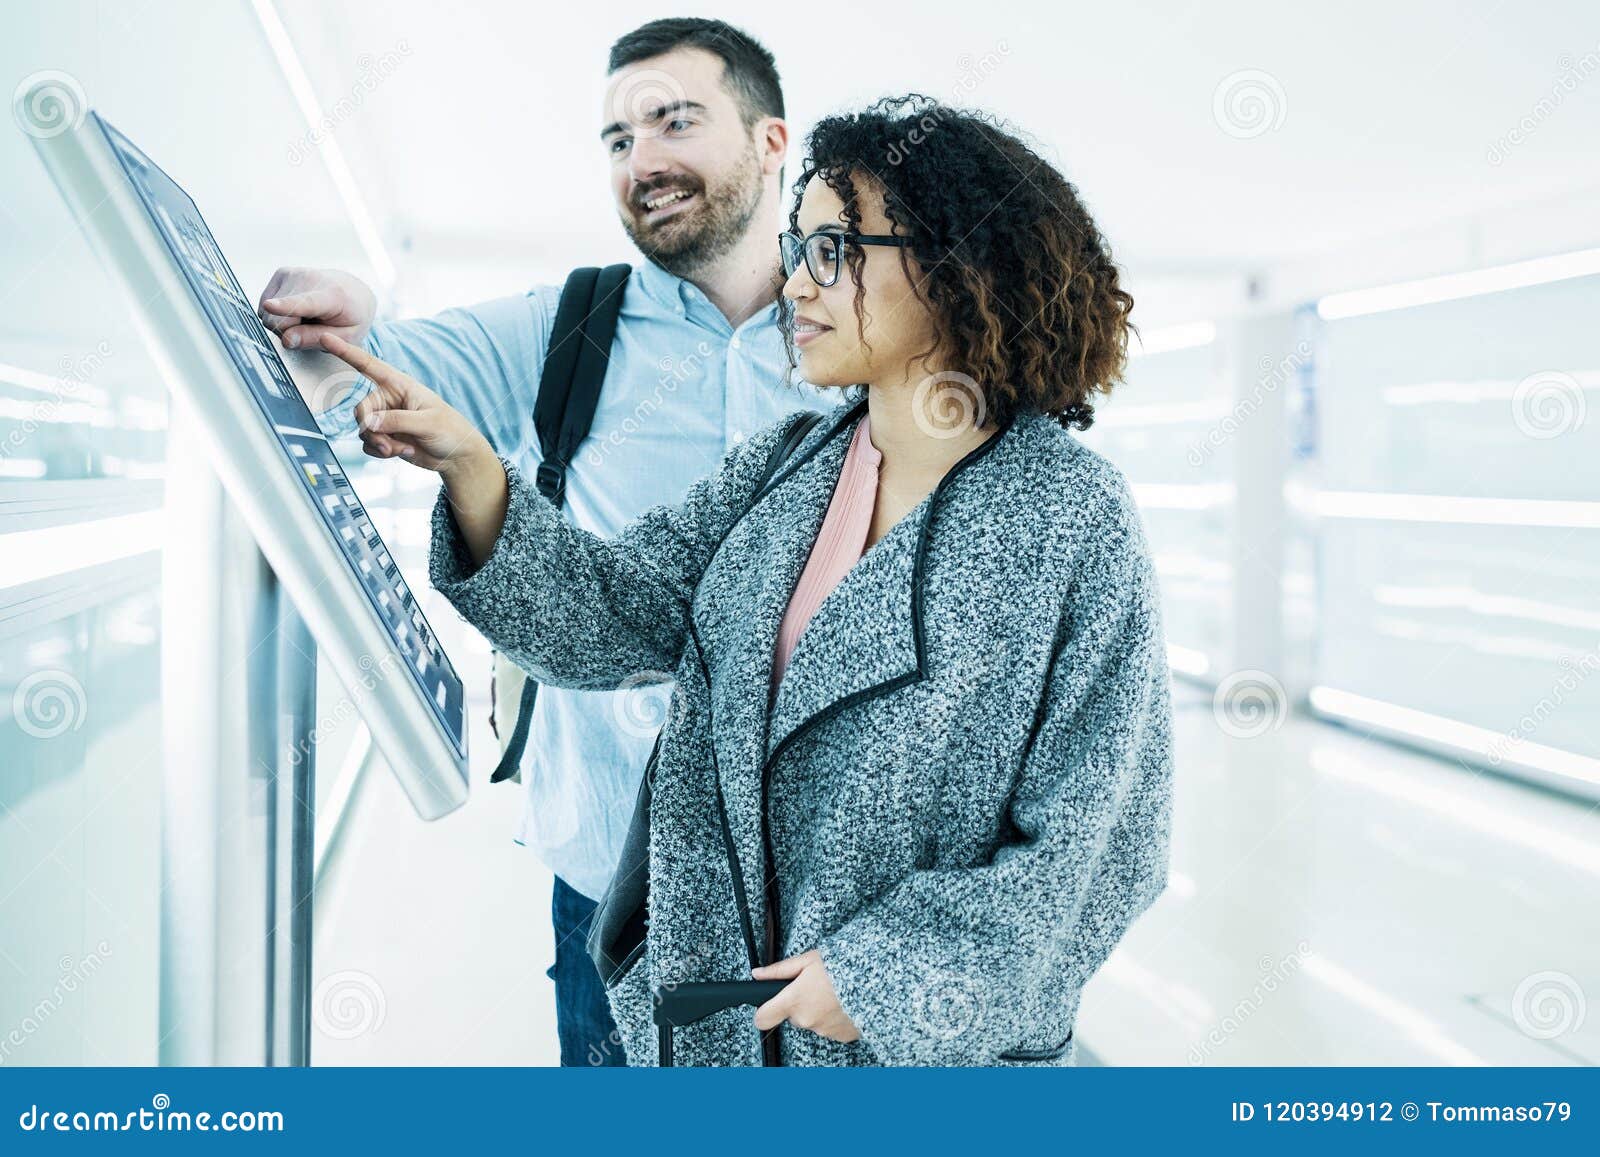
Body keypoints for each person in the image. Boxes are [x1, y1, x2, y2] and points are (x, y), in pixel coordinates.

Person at [318, 95, 1175, 1066]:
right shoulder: (786, 466)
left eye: (830, 252)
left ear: (952, 262)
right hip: (720, 1024)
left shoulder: (1067, 511)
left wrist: (882, 979)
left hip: (905, 1048)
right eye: (794, 249)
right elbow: (616, 613)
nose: (794, 284)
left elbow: (1104, 837)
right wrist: (473, 468)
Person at [256, 19, 833, 1066]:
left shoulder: (862, 317)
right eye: (615, 139)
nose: (641, 160)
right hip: (611, 875)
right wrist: (344, 329)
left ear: (769, 140)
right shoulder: (568, 328)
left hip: (830, 875)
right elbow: (352, 379)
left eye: (674, 120)